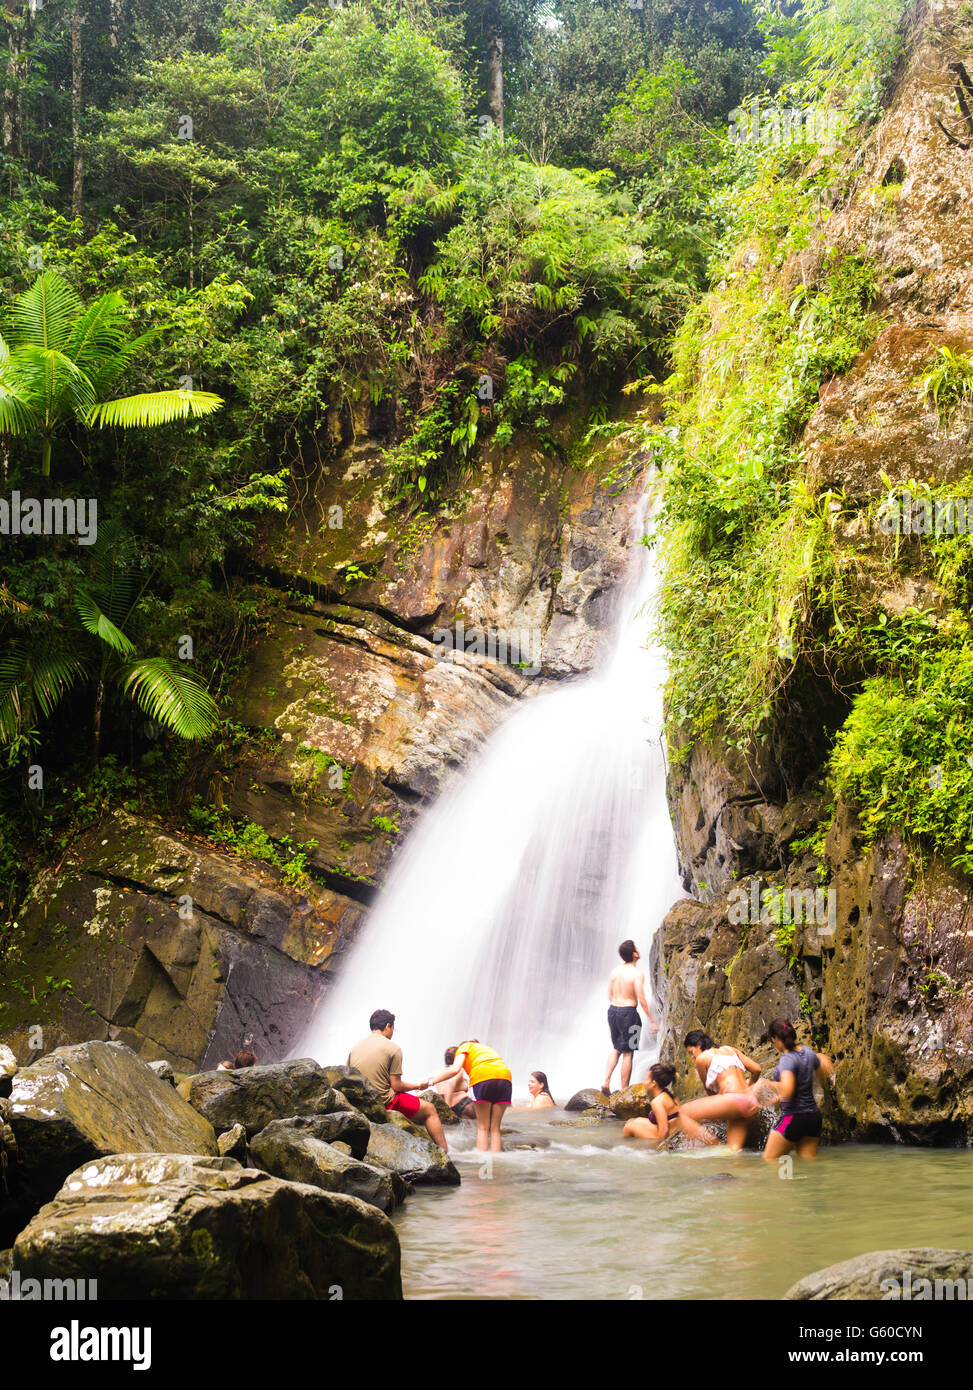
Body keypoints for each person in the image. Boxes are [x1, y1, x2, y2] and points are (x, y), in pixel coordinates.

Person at [347, 1009, 447, 1151]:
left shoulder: (356, 1046)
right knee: (429, 1109)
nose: (393, 1032)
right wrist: (418, 1086)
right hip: (383, 1101)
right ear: (388, 1026)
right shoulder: (393, 1048)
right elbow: (397, 1086)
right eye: (393, 1028)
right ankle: (446, 1153)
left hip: (359, 1100)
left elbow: (349, 1075)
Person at [760, 1018, 834, 1163]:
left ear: (775, 1039)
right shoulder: (808, 1052)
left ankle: (785, 1185)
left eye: (772, 1040)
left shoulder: (786, 1060)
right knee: (809, 1163)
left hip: (794, 1117)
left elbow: (788, 1091)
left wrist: (767, 1085)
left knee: (770, 1161)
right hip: (813, 1117)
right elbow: (824, 1071)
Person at [679, 1029, 764, 1152]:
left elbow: (710, 1093)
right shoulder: (730, 1049)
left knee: (681, 1113)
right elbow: (757, 1069)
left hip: (733, 1100)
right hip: (750, 1101)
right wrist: (749, 1086)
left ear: (698, 1045)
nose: (692, 1056)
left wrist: (718, 1112)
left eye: (691, 1052)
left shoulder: (702, 1058)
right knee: (733, 1152)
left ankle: (716, 1146)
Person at [430, 1039, 512, 1152]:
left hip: (482, 1075)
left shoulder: (463, 1048)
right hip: (505, 1077)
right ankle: (496, 1160)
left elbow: (455, 1069)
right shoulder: (486, 1049)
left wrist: (431, 1082)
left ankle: (482, 1160)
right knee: (495, 1128)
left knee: (483, 1127)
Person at [602, 939, 657, 1096]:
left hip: (613, 1011)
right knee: (628, 1052)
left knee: (616, 1048)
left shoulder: (615, 971)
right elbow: (641, 998)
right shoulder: (636, 974)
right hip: (628, 1013)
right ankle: (624, 1090)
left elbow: (610, 995)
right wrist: (652, 1020)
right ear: (635, 954)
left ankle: (605, 1081)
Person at [622, 1063, 719, 1147]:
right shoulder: (669, 1095)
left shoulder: (657, 1102)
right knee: (631, 1121)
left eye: (646, 1079)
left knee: (629, 1126)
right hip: (675, 1130)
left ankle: (625, 1148)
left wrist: (657, 1149)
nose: (644, 1082)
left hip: (666, 1135)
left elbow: (664, 1130)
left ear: (653, 1084)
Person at [437, 1046, 476, 1121]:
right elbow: (450, 1083)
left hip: (452, 1107)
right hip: (463, 1105)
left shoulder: (438, 1072)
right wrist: (448, 1107)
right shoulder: (457, 1070)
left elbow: (422, 1083)